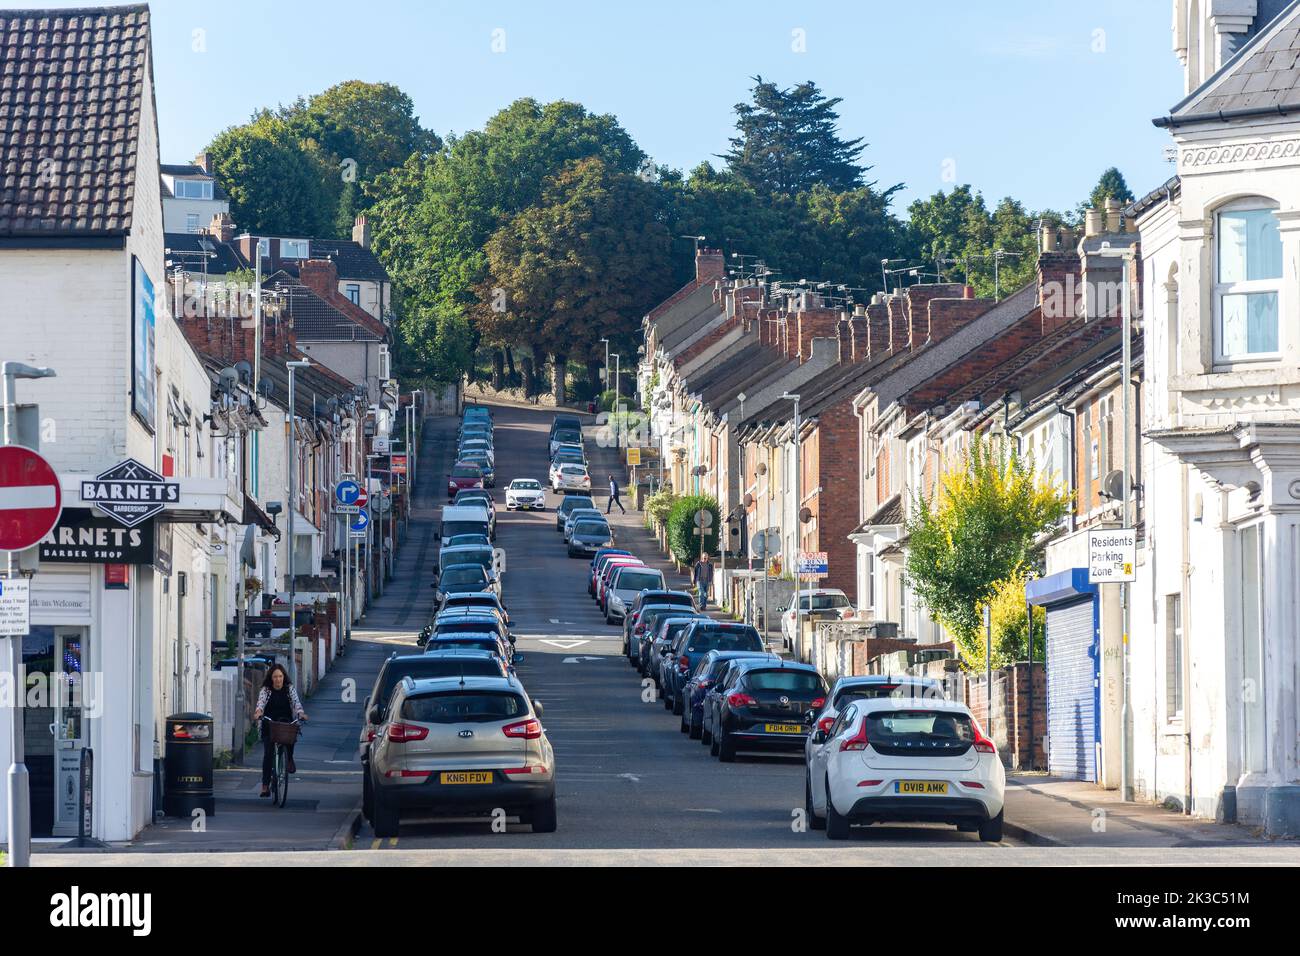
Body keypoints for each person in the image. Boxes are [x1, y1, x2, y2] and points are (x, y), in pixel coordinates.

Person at [252, 663, 308, 797]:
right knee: (268, 754)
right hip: (269, 724)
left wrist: (301, 713)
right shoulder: (266, 690)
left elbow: (296, 703)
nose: (278, 679)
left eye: (280, 676)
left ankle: (289, 760)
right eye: (275, 677)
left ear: (284, 677)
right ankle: (265, 786)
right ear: (271, 678)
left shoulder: (289, 689)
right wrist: (258, 712)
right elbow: (260, 703)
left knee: (291, 737)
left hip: (285, 722)